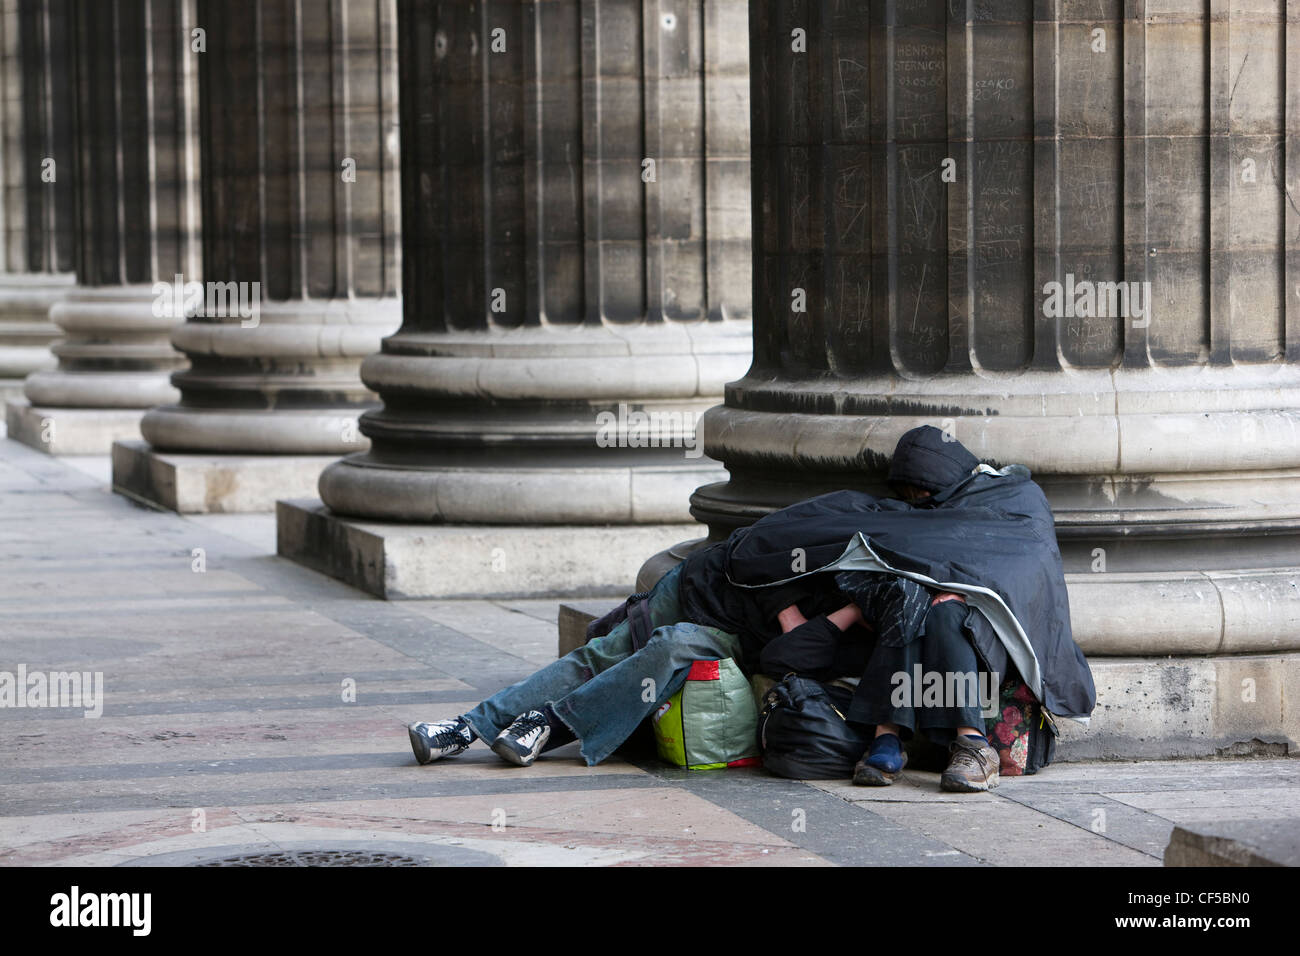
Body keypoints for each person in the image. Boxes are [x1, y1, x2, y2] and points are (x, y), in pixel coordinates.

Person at [408, 426, 1095, 787]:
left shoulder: (908, 571)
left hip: (731, 628)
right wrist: (816, 612)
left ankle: (548, 724)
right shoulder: (865, 521)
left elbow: (787, 649)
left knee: (666, 650)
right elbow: (767, 572)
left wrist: (836, 619)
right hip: (711, 589)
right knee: (603, 651)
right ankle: (470, 727)